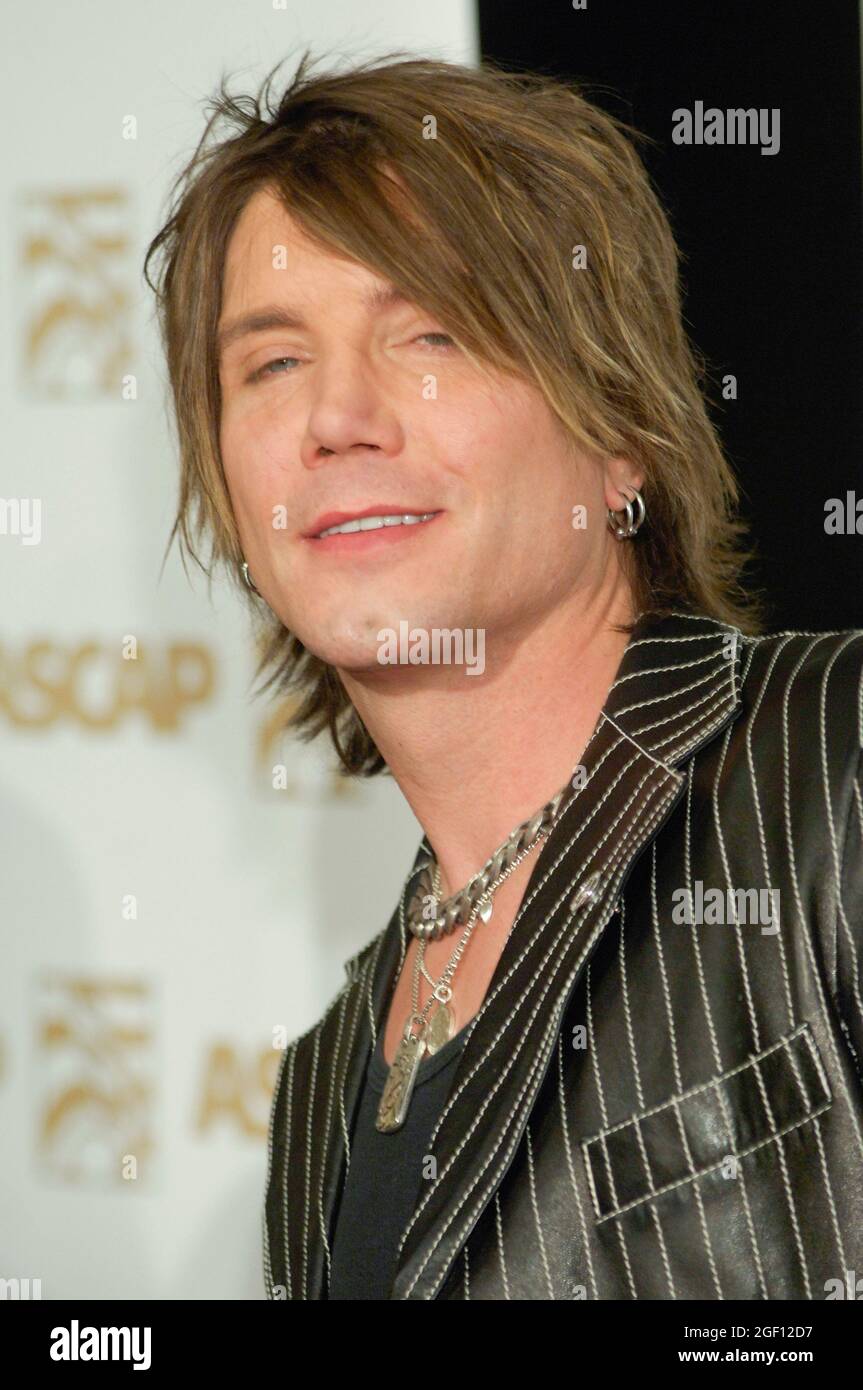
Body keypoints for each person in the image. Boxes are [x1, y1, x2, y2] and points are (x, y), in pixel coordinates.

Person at [144, 49, 863, 1300]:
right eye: (270, 363)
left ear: (622, 430)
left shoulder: (831, 766)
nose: (337, 415)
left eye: (429, 331)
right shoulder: (321, 1085)